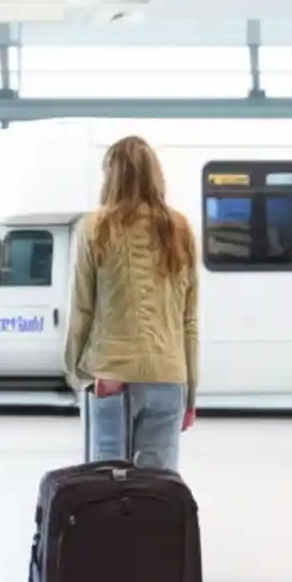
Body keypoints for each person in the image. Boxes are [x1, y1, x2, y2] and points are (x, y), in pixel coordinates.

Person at [62, 135, 199, 472]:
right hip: (168, 377)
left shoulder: (94, 227)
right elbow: (189, 321)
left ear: (111, 175)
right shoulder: (180, 228)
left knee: (107, 485)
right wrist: (190, 393)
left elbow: (82, 308)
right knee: (158, 486)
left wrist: (77, 374)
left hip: (112, 376)